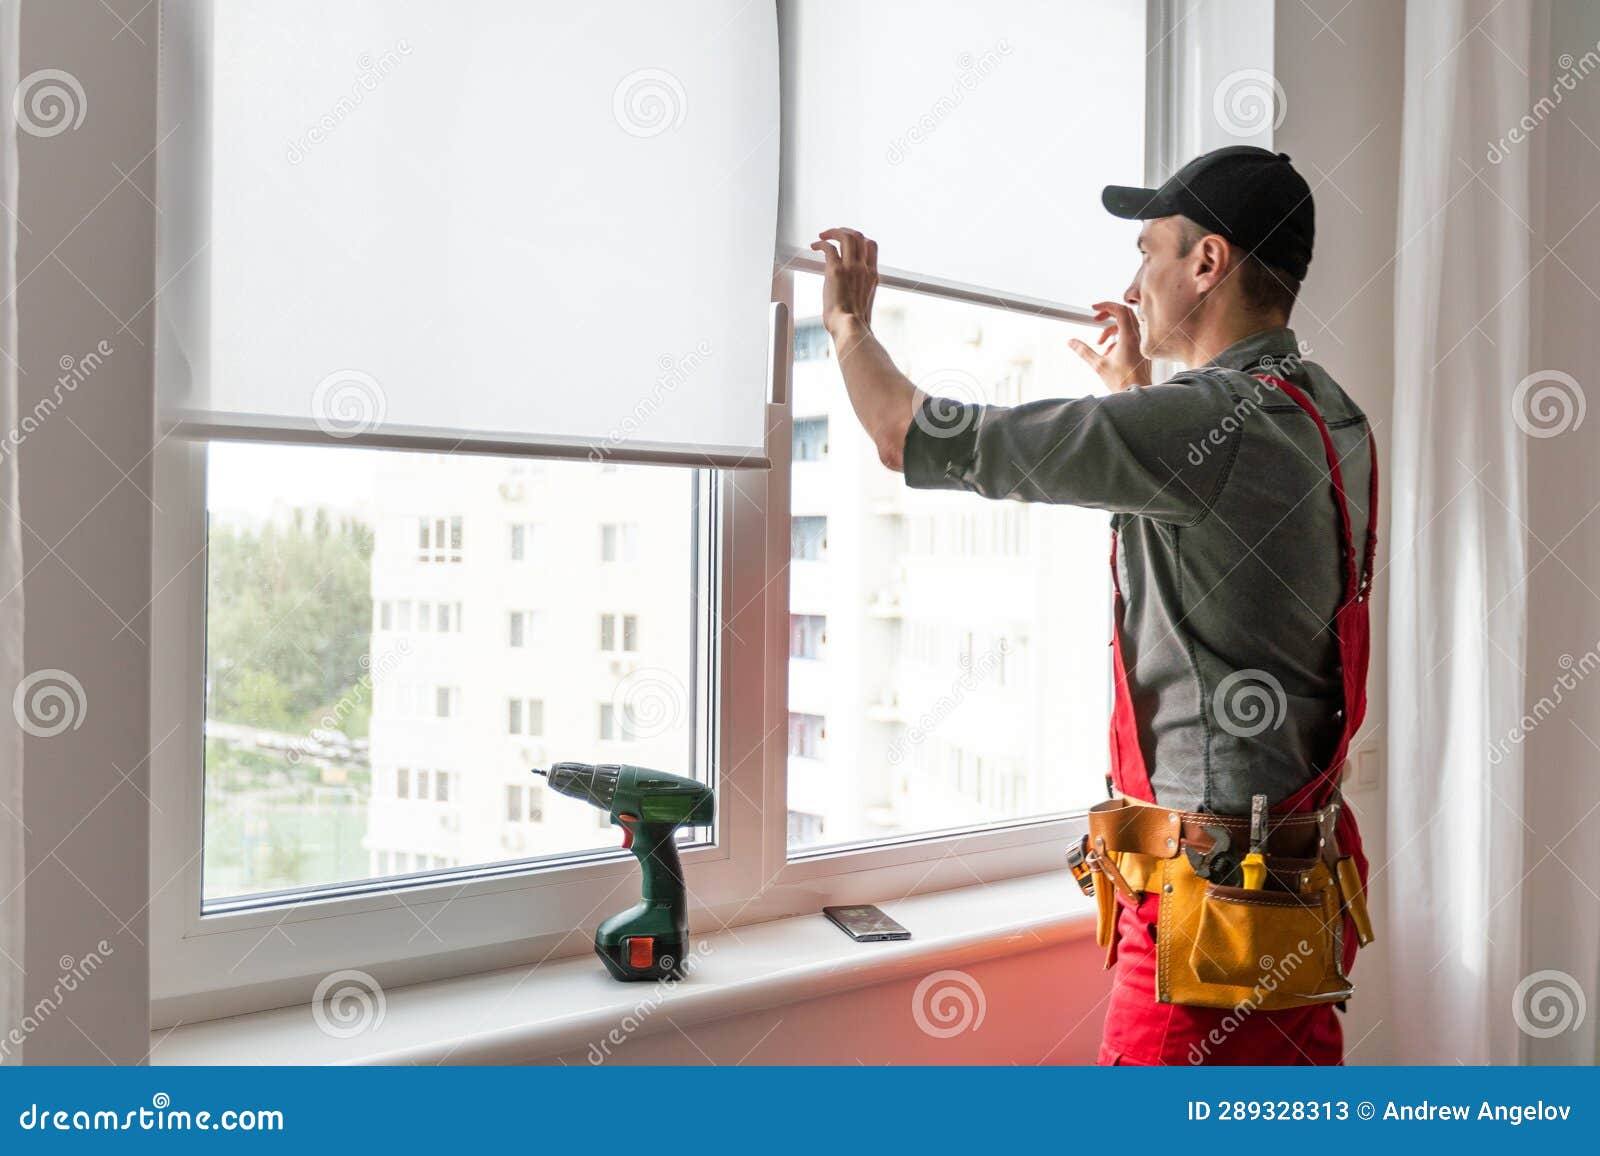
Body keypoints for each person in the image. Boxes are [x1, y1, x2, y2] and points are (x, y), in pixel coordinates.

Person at [811, 146, 1376, 1065]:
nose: (1136, 277)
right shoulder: (1329, 413)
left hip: (1210, 936)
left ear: (1208, 262)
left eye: (1150, 249)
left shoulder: (1201, 424)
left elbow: (904, 434)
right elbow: (1226, 538)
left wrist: (847, 329)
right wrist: (1134, 398)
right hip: (1296, 905)